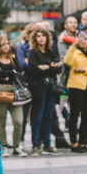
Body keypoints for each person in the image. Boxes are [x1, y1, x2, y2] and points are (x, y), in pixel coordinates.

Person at [25, 26, 61, 156]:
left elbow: (58, 68)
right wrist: (49, 67)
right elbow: (33, 69)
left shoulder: (51, 52)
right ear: (35, 39)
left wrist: (46, 68)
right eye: (38, 36)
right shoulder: (32, 53)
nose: (41, 38)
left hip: (50, 87)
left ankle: (47, 144)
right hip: (38, 87)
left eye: (43, 36)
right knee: (37, 116)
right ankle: (35, 145)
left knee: (48, 116)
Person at [63, 31, 87, 152]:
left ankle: (82, 142)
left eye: (86, 38)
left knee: (86, 116)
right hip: (76, 87)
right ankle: (74, 143)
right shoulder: (74, 53)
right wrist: (73, 45)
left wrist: (84, 69)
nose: (83, 40)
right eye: (81, 38)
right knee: (74, 115)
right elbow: (67, 62)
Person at [0, 39, 27, 156]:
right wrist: (11, 72)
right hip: (0, 91)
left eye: (7, 44)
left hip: (15, 91)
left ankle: (16, 146)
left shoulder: (13, 58)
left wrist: (7, 73)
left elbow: (19, 72)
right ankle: (3, 146)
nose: (6, 47)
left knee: (18, 121)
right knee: (1, 121)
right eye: (3, 44)